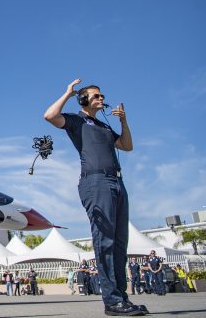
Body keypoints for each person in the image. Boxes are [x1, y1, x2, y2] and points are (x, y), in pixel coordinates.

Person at [45, 79, 147, 316]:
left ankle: (122, 298)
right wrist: (67, 93)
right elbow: (49, 116)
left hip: (117, 182)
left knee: (120, 242)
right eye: (96, 96)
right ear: (83, 100)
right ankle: (111, 301)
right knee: (106, 242)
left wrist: (123, 121)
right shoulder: (75, 120)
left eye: (102, 96)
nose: (101, 99)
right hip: (96, 182)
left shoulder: (103, 126)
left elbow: (126, 145)